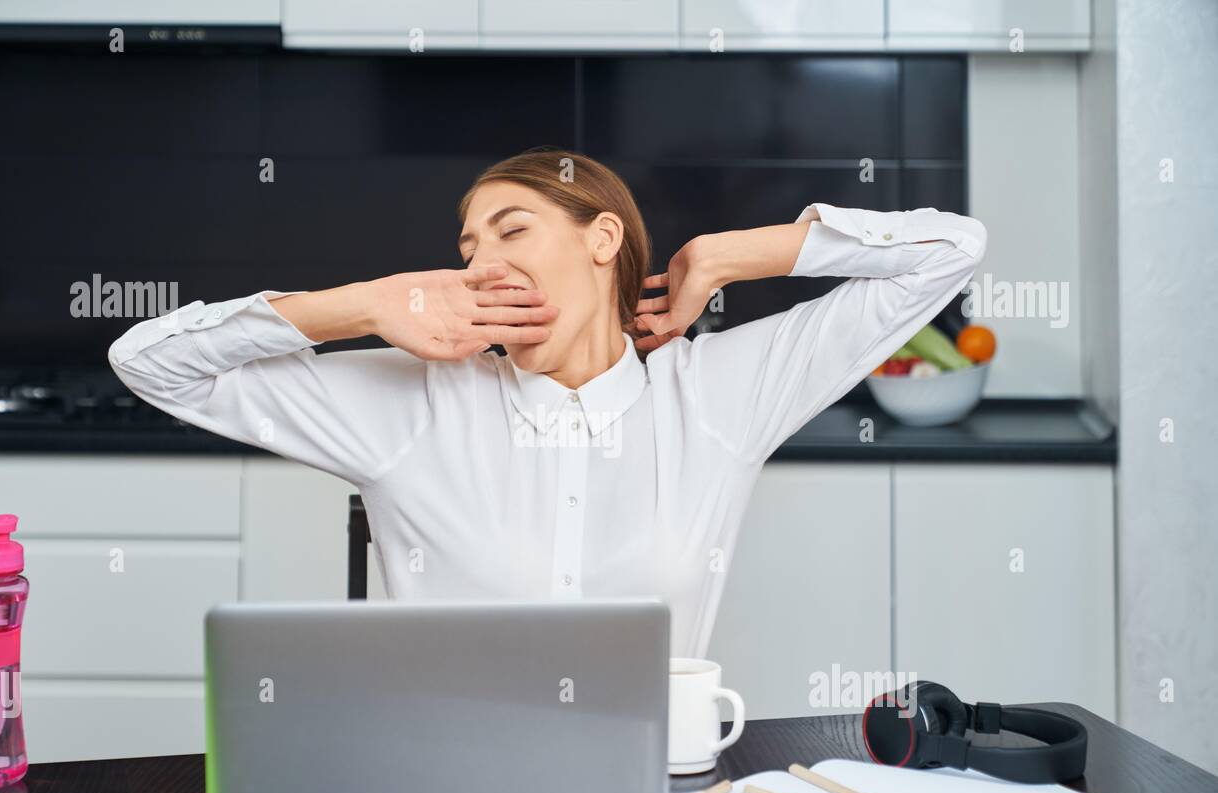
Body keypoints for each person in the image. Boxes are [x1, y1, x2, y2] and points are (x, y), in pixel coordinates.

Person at [109, 147, 986, 659]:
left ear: (603, 238)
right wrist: (366, 305)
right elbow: (149, 361)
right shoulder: (414, 404)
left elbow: (951, 250)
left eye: (512, 230)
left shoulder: (718, 393)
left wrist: (728, 255)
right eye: (467, 247)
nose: (481, 261)